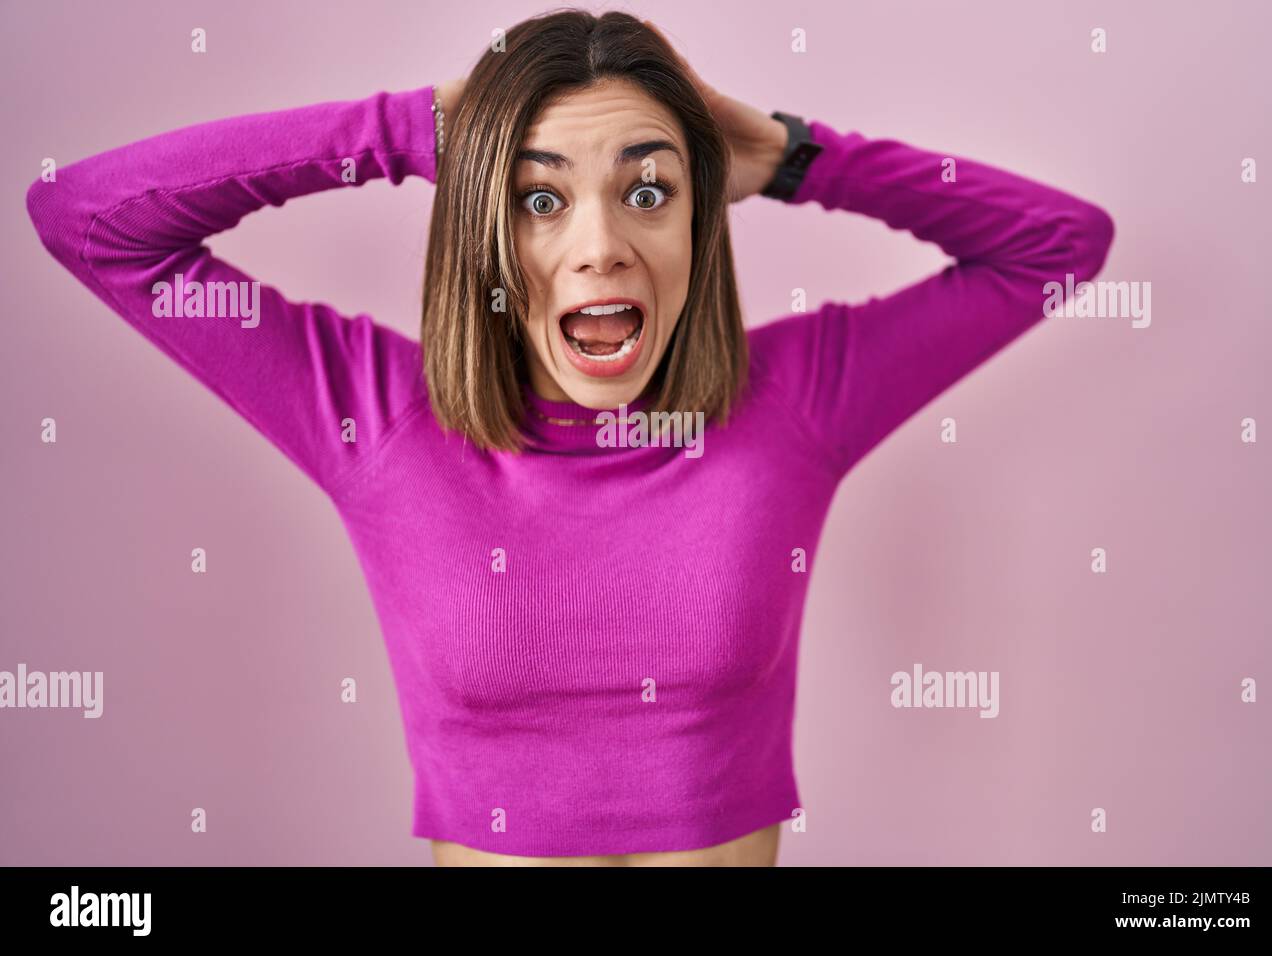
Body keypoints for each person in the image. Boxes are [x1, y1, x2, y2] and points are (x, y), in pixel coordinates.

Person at [26, 10, 1113, 866]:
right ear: (484, 232)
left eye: (647, 189)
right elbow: (84, 218)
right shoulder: (374, 411)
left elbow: (1060, 245)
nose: (598, 246)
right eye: (539, 199)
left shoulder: (796, 400)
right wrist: (408, 132)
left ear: (700, 218)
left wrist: (794, 158)